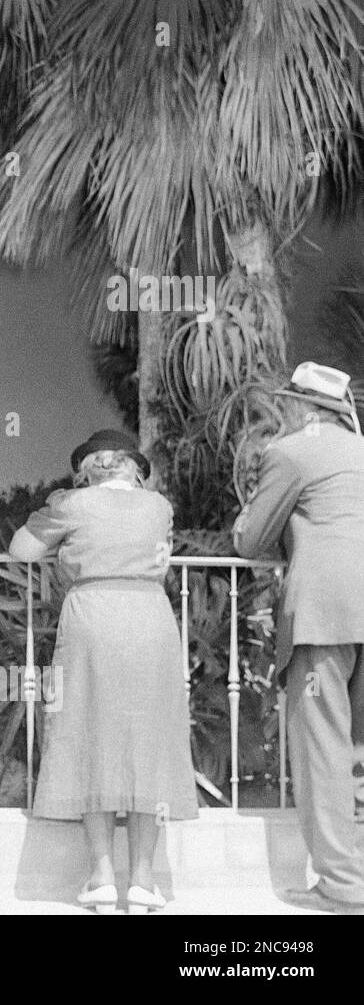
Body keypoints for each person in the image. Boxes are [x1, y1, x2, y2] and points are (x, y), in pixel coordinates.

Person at [9, 429, 197, 914]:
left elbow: (21, 550)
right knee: (147, 744)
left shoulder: (73, 504)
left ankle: (99, 875)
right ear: (135, 469)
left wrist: (57, 512)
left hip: (93, 618)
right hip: (151, 620)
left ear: (86, 470)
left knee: (89, 734)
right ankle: (142, 880)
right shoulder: (159, 507)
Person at [233, 362, 364, 913]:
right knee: (356, 751)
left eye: (287, 402)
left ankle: (342, 885)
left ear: (305, 408)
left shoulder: (291, 452)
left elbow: (249, 539)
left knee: (323, 751)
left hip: (324, 617)